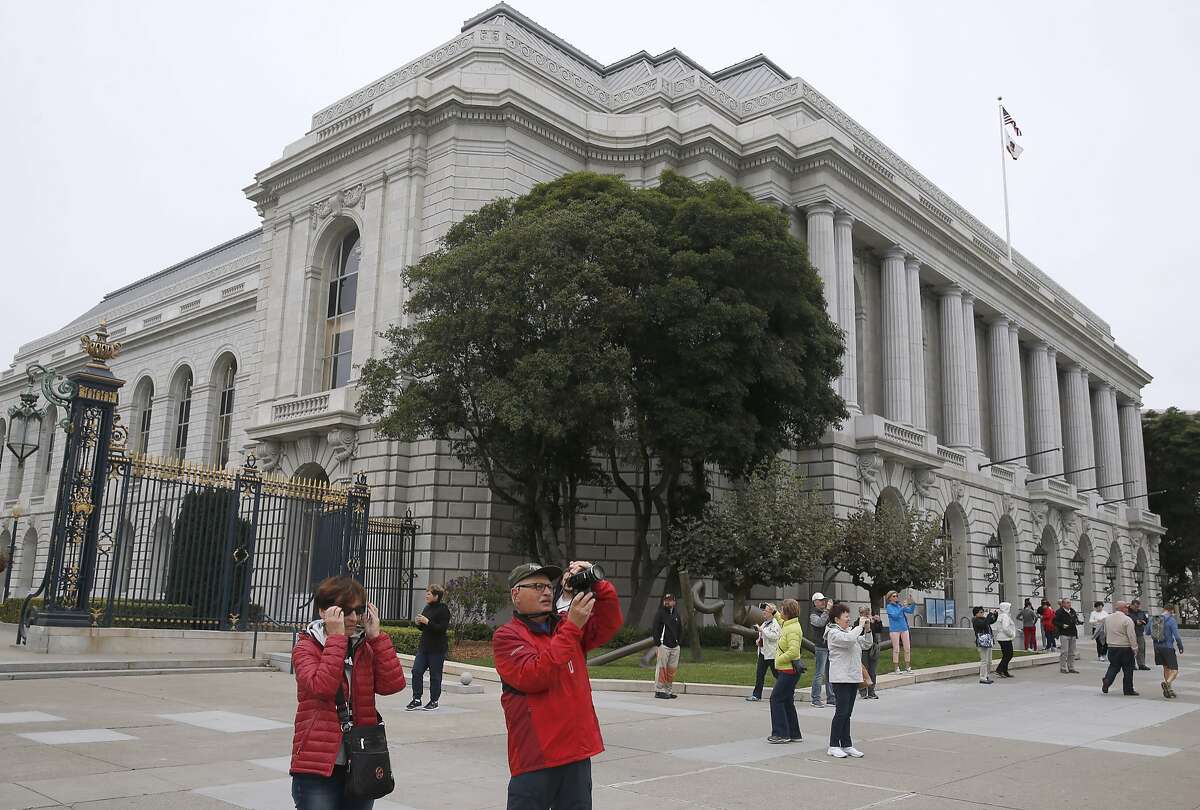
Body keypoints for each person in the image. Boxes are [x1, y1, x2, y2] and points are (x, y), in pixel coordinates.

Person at [290, 576, 407, 810]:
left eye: (359, 610)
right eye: (345, 611)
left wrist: (377, 639)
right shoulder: (307, 647)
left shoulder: (364, 646)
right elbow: (321, 687)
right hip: (318, 762)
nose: (353, 618)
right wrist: (336, 639)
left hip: (362, 757)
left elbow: (392, 685)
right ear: (323, 611)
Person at [826, 603, 872, 758]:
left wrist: (867, 629)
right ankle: (833, 745)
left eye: (848, 616)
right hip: (841, 678)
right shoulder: (833, 633)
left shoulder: (849, 632)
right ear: (836, 619)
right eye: (845, 616)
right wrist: (859, 626)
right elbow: (848, 640)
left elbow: (866, 644)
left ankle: (846, 744)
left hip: (853, 677)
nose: (848, 619)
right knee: (841, 712)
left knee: (847, 713)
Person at [407, 583, 450, 711]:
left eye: (429, 593)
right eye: (427, 593)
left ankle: (434, 701)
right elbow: (424, 628)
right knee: (416, 671)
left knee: (435, 676)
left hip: (437, 649)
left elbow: (441, 629)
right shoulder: (427, 608)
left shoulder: (443, 609)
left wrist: (427, 622)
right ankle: (417, 699)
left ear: (436, 596)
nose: (426, 595)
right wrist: (419, 623)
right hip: (424, 648)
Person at [768, 598, 804, 744]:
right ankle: (794, 733)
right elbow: (781, 621)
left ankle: (781, 733)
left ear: (788, 612)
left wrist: (778, 660)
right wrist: (774, 612)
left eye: (782, 609)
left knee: (776, 699)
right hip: (788, 670)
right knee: (787, 701)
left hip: (789, 671)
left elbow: (793, 652)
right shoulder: (789, 624)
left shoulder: (793, 629)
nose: (780, 611)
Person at [1100, 600, 1139, 696]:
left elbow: (1105, 632)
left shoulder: (1108, 618)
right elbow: (1131, 635)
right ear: (1122, 608)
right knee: (1128, 669)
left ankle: (1107, 680)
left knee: (1113, 666)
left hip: (1112, 647)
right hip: (1125, 647)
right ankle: (1128, 689)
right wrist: (1135, 648)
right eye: (1126, 607)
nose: (1127, 609)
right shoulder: (1127, 620)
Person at [651, 593, 683, 699]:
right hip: (663, 646)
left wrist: (679, 642)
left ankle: (668, 690)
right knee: (661, 669)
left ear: (674, 602)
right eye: (665, 600)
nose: (667, 602)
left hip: (675, 647)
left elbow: (680, 629)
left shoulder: (676, 614)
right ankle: (658, 690)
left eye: (669, 600)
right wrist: (658, 644)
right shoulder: (660, 614)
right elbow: (655, 629)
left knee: (671, 670)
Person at [1147, 605, 1184, 699]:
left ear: (1164, 610)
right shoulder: (1171, 620)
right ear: (1171, 611)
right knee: (1174, 670)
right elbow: (1177, 636)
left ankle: (1169, 690)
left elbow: (1147, 632)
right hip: (1168, 647)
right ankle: (1167, 683)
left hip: (1157, 647)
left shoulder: (1153, 619)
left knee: (1166, 668)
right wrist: (1180, 646)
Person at [748, 603, 781, 702]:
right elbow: (762, 635)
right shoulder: (765, 623)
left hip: (772, 654)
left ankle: (787, 691)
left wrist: (762, 630)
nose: (763, 612)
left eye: (765, 611)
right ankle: (756, 695)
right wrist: (758, 640)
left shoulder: (776, 623)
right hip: (763, 653)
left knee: (777, 675)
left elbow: (774, 636)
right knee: (760, 674)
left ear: (771, 612)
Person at [809, 593, 835, 707]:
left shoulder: (827, 612)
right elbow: (820, 623)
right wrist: (827, 610)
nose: (823, 602)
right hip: (820, 647)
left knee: (830, 673)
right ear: (815, 602)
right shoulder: (813, 614)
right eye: (820, 600)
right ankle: (815, 699)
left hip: (830, 646)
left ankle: (831, 698)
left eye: (824, 600)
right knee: (819, 673)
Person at [884, 590, 916, 674]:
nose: (896, 597)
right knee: (896, 649)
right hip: (894, 630)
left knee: (907, 648)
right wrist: (902, 608)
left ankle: (907, 667)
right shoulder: (889, 607)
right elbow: (895, 616)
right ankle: (896, 668)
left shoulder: (899, 605)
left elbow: (910, 611)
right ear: (889, 598)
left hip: (904, 628)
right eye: (894, 596)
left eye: (897, 596)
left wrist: (912, 602)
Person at [858, 606, 883, 699]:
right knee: (864, 670)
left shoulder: (872, 621)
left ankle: (871, 691)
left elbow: (879, 630)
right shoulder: (858, 622)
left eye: (867, 612)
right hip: (863, 648)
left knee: (872, 670)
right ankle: (863, 691)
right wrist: (864, 623)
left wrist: (878, 621)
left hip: (873, 648)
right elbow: (858, 634)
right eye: (863, 612)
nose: (865, 614)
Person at [1053, 597, 1082, 675]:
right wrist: (1062, 625)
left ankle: (1071, 667)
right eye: (1067, 603)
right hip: (1064, 634)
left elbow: (1075, 620)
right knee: (1064, 651)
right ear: (1063, 604)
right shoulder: (1059, 612)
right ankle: (1063, 668)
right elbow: (1054, 621)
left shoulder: (1072, 611)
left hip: (1072, 633)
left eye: (1070, 602)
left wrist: (1079, 622)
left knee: (1072, 652)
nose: (1069, 604)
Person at [972, 606, 998, 684]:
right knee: (984, 661)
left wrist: (995, 615)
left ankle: (986, 675)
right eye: (981, 612)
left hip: (988, 642)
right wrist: (989, 614)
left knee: (989, 661)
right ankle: (982, 677)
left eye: (983, 612)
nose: (983, 613)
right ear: (976, 614)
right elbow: (983, 624)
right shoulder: (975, 620)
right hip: (982, 643)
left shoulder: (983, 619)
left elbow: (991, 621)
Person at [993, 602, 1017, 678]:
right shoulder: (1005, 616)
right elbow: (1005, 628)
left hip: (1001, 638)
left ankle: (1004, 671)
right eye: (1009, 607)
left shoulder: (1001, 615)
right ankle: (999, 669)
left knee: (1006, 655)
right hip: (1005, 638)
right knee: (1009, 655)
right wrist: (1011, 634)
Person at [1129, 599, 1152, 671]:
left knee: (1141, 648)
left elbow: (1146, 620)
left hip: (1140, 632)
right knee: (1131, 649)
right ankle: (1131, 664)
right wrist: (1135, 622)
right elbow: (1126, 621)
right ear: (1131, 605)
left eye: (1138, 607)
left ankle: (1141, 664)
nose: (1137, 608)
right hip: (1131, 633)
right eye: (1135, 606)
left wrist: (1143, 622)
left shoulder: (1141, 612)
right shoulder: (1128, 612)